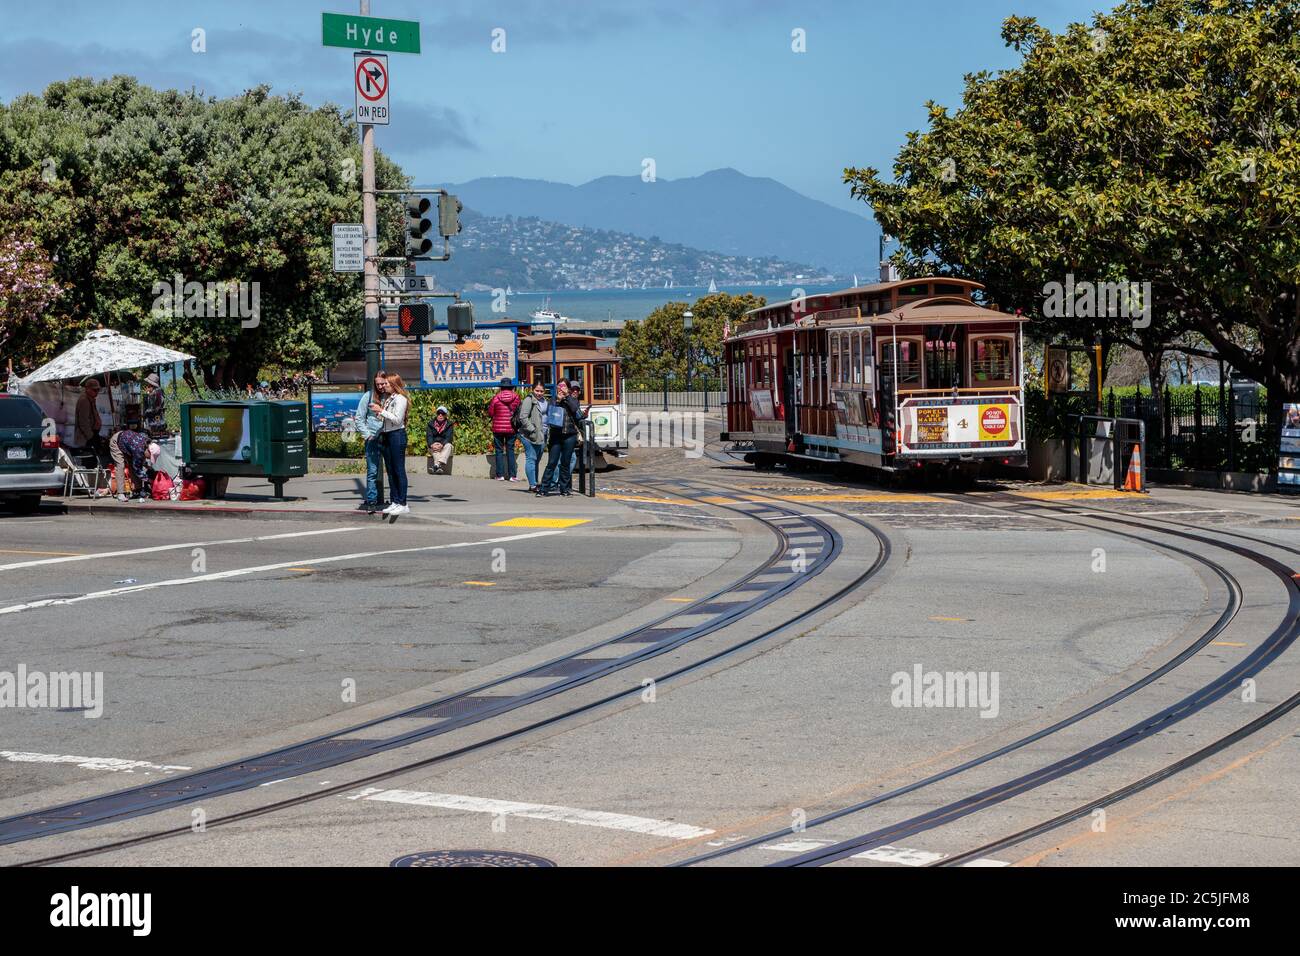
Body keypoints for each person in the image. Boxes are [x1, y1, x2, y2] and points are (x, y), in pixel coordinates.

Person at [538, 379, 586, 497]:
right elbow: (550, 412)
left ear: (568, 388)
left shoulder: (572, 400)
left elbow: (575, 409)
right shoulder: (553, 400)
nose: (561, 388)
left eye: (564, 386)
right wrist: (559, 400)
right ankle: (544, 488)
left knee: (566, 462)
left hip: (569, 434)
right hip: (556, 435)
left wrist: (567, 397)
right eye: (559, 386)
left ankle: (564, 489)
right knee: (552, 462)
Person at [372, 371, 410, 515]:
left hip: (397, 435)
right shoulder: (389, 399)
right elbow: (387, 419)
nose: (384, 386)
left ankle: (403, 502)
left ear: (394, 385)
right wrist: (380, 414)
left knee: (399, 469)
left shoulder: (400, 399)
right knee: (391, 470)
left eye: (387, 383)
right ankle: (395, 501)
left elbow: (397, 419)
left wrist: (381, 411)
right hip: (388, 435)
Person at [353, 375, 386, 513]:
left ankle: (397, 501)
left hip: (388, 437)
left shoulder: (391, 396)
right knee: (372, 471)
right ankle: (372, 501)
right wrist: (368, 436)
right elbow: (359, 417)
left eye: (383, 383)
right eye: (378, 384)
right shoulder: (368, 396)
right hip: (373, 438)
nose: (380, 386)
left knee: (394, 471)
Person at [487, 376, 522, 481]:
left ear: (501, 387)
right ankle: (512, 476)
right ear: (511, 387)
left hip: (498, 428)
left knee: (499, 450)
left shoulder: (496, 398)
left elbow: (491, 413)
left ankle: (500, 475)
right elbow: (519, 411)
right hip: (511, 428)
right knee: (510, 450)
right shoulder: (516, 397)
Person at [517, 382, 550, 492]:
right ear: (532, 390)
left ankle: (534, 482)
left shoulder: (544, 401)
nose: (539, 393)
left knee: (536, 460)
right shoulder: (529, 400)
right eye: (537, 390)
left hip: (542, 435)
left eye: (541, 391)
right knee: (531, 458)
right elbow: (523, 417)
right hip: (529, 435)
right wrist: (532, 429)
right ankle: (533, 485)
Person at [113, 427, 153, 502]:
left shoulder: (147, 444)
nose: (149, 458)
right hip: (117, 441)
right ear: (148, 450)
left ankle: (137, 490)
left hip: (127, 443)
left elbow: (139, 461)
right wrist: (149, 480)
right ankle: (120, 493)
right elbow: (137, 469)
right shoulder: (139, 449)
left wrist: (146, 466)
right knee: (120, 465)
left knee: (133, 464)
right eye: (150, 456)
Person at [74, 378, 105, 456]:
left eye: (98, 390)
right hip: (87, 437)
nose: (97, 392)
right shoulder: (84, 400)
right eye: (94, 390)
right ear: (87, 389)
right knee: (90, 461)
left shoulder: (90, 399)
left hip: (91, 434)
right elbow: (83, 421)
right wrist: (90, 437)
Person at [426, 405, 455, 475]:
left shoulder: (449, 424)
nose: (440, 415)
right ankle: (438, 467)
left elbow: (449, 437)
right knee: (434, 449)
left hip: (444, 445)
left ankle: (437, 465)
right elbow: (429, 436)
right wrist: (432, 444)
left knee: (449, 445)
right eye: (438, 413)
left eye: (443, 414)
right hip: (433, 445)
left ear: (445, 415)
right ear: (436, 414)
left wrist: (442, 444)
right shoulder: (430, 424)